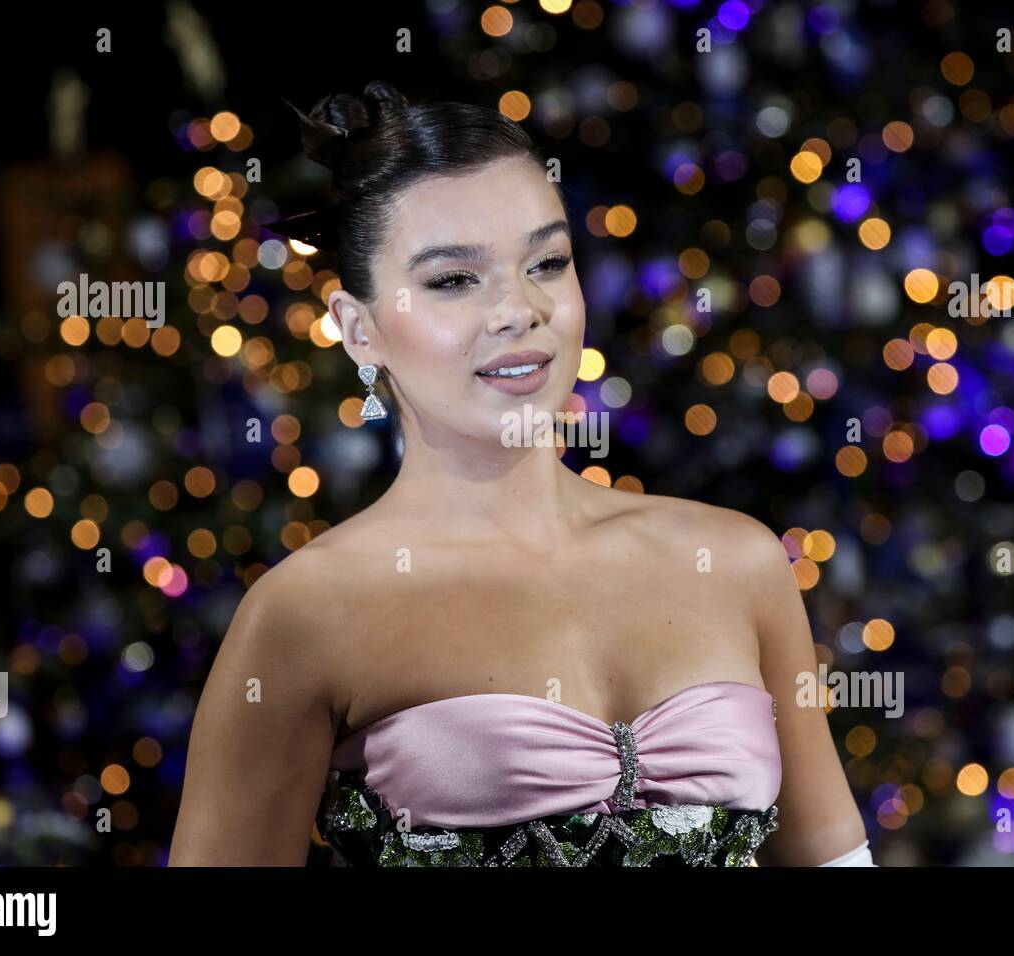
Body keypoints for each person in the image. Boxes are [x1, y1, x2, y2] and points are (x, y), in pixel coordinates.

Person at [169, 80, 874, 867]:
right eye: (452, 280)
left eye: (546, 261)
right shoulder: (305, 615)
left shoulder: (737, 562)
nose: (519, 308)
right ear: (357, 329)